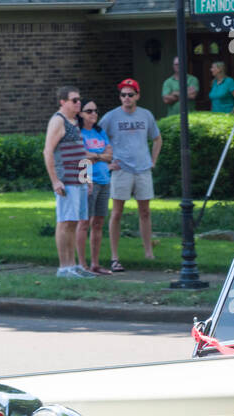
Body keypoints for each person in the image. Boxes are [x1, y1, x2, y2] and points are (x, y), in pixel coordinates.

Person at [100, 79, 162, 270]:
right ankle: (114, 256)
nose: (126, 98)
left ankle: (148, 252)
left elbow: (157, 139)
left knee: (145, 212)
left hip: (143, 170)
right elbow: (97, 138)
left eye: (130, 94)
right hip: (121, 170)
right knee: (117, 213)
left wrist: (153, 161)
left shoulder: (146, 115)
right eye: (123, 95)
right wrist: (108, 162)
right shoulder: (111, 117)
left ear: (137, 96)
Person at [43, 85, 96, 279]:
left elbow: (79, 151)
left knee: (74, 223)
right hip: (67, 181)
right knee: (65, 223)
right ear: (62, 102)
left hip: (78, 181)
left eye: (79, 99)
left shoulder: (74, 122)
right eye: (74, 100)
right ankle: (63, 268)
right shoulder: (58, 121)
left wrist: (86, 178)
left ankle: (73, 266)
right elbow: (48, 151)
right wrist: (55, 181)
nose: (79, 103)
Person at [77, 100, 114, 275]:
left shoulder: (100, 132)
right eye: (89, 110)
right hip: (87, 180)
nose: (93, 114)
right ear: (81, 114)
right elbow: (80, 155)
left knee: (98, 223)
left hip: (104, 179)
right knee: (84, 222)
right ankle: (82, 265)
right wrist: (100, 156)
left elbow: (110, 156)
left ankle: (95, 264)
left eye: (95, 111)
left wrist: (95, 156)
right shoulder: (78, 133)